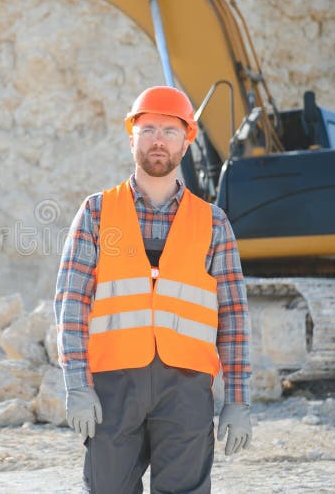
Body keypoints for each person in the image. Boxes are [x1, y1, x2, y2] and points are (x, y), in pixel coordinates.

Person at [54, 86, 252, 493]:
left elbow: (233, 318)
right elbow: (71, 304)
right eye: (148, 130)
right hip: (113, 387)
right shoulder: (96, 212)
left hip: (186, 389)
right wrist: (76, 384)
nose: (158, 140)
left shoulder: (213, 224)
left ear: (186, 140)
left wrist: (238, 398)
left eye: (169, 130)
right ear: (132, 139)